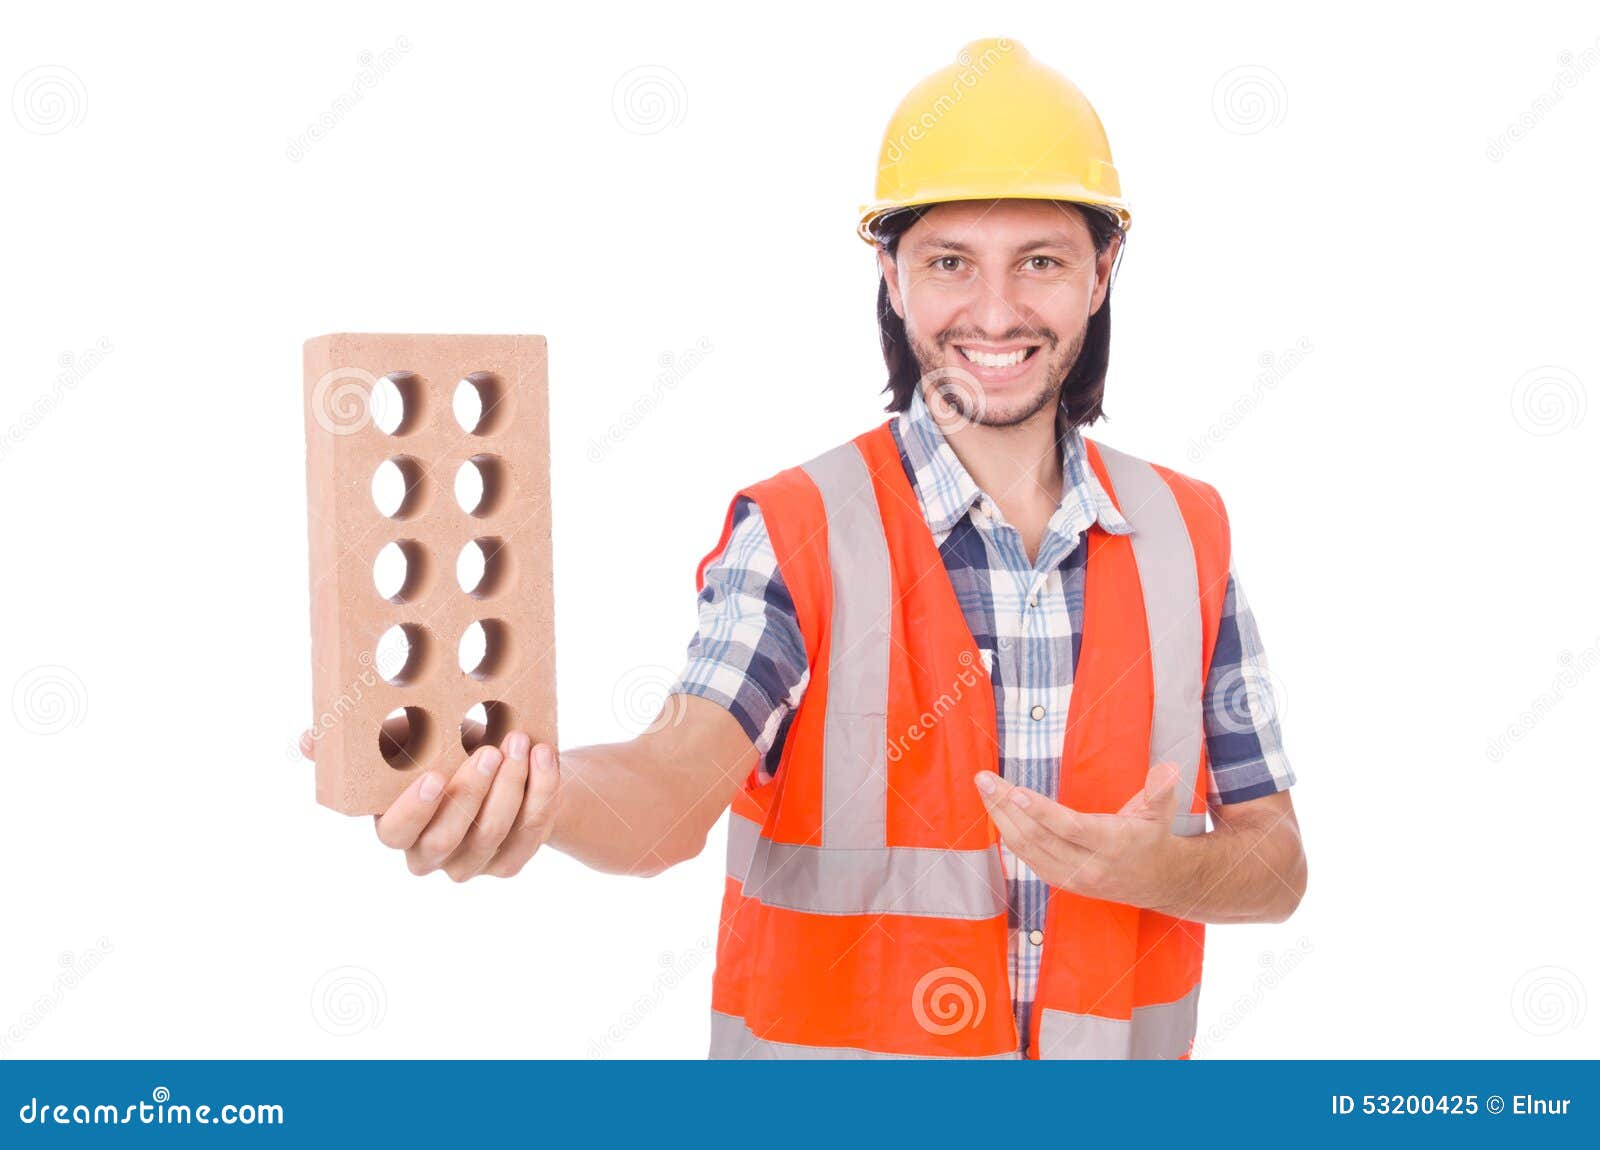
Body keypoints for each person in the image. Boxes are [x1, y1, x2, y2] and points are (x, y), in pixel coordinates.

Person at [301, 37, 1306, 1059]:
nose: (995, 313)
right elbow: (670, 787)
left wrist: (1151, 870)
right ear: (891, 274)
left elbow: (1275, 862)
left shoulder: (1185, 533)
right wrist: (536, 792)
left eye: (1039, 261)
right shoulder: (797, 532)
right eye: (949, 262)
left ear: (1102, 273)